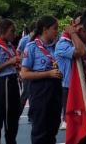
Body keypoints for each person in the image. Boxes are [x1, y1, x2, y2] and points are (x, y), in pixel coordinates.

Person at [21, 16, 63, 144]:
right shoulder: (32, 47)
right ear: (45, 29)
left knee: (53, 128)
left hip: (56, 90)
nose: (57, 31)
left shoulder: (58, 46)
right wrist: (48, 74)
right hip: (40, 90)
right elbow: (24, 74)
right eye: (54, 28)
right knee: (40, 130)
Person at [55, 10, 86, 134]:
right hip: (70, 88)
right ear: (81, 31)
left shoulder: (80, 41)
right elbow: (81, 52)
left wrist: (83, 20)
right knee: (77, 128)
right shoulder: (63, 44)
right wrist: (74, 31)